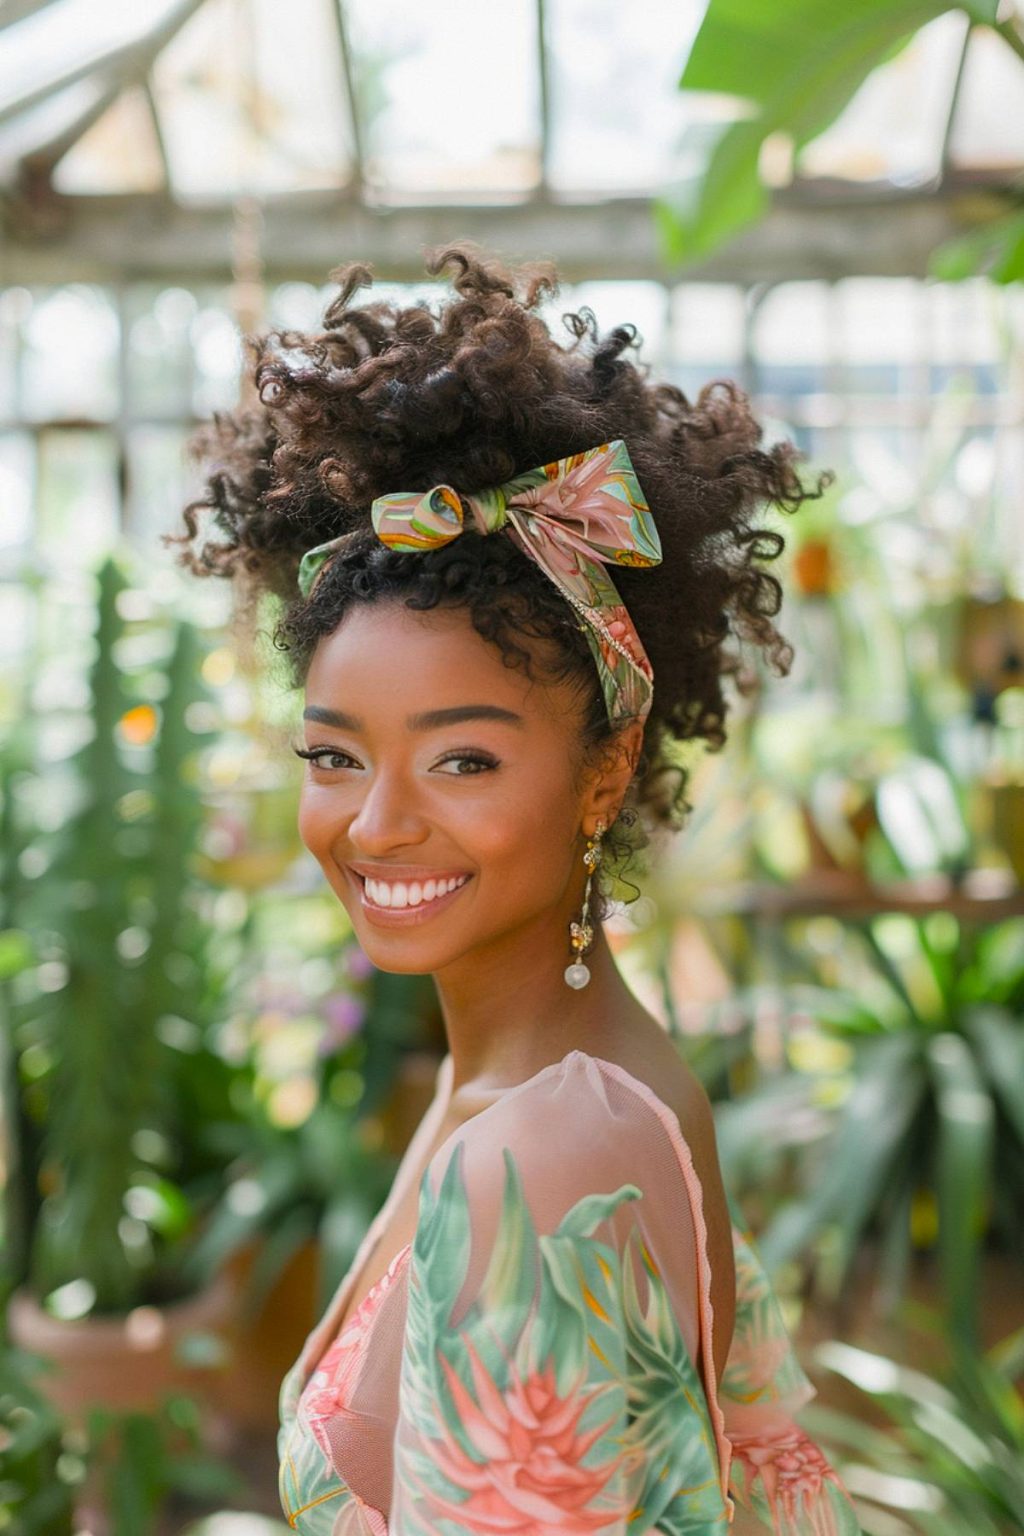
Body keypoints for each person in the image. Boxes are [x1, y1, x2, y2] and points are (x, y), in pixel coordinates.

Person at [170, 247, 861, 1534]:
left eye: (462, 758)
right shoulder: (519, 1080)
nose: (375, 824)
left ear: (605, 773)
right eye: (333, 754)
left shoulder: (551, 1153)